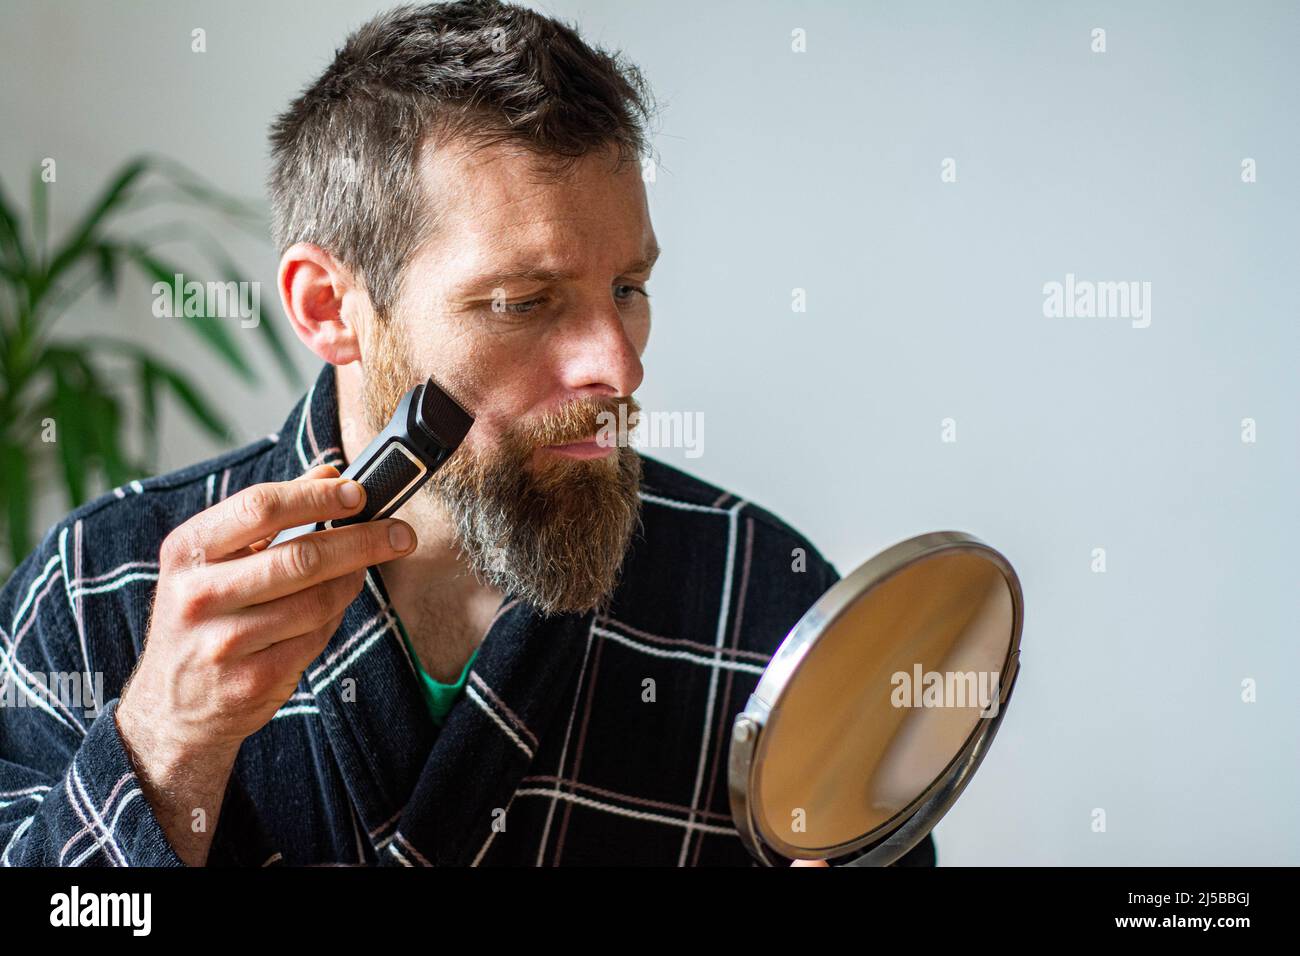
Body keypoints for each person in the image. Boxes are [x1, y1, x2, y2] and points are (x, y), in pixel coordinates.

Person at [0, 0, 935, 868]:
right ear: (330, 307)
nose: (618, 366)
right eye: (524, 301)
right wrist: (163, 747)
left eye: (629, 290)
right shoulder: (96, 591)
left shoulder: (769, 605)